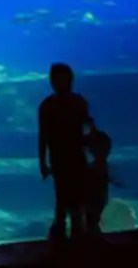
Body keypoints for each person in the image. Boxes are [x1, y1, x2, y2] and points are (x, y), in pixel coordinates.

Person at [38, 62, 92, 241]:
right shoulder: (47, 106)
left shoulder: (77, 102)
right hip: (60, 159)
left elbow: (87, 129)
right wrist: (42, 162)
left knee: (75, 199)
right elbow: (43, 136)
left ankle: (73, 236)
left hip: (75, 157)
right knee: (63, 199)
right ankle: (65, 237)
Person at [83, 120, 120, 236]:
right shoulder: (102, 139)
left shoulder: (96, 166)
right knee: (95, 211)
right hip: (98, 180)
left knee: (94, 211)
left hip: (96, 180)